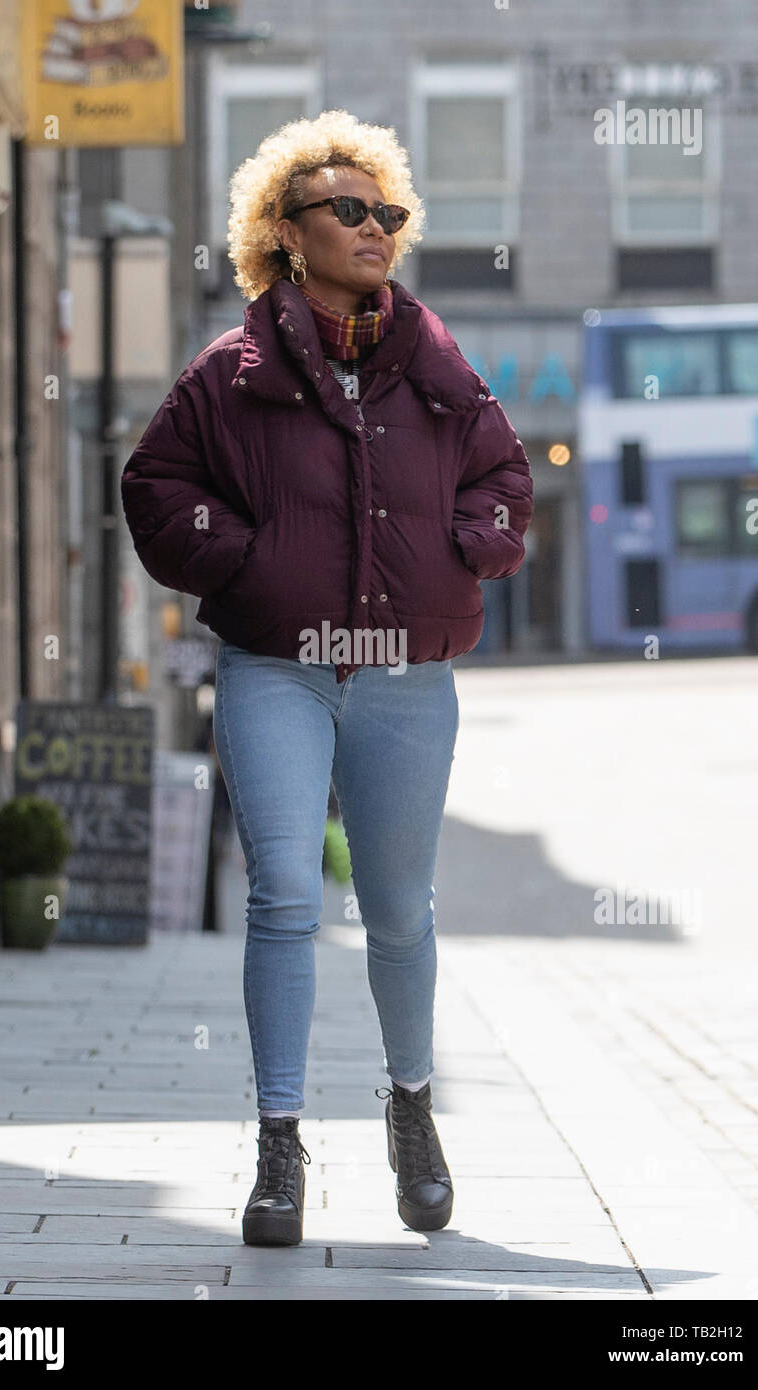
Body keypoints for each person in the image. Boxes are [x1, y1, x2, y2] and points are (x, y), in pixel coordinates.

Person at [121, 109, 533, 1247]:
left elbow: (502, 479)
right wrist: (247, 566)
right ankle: (278, 1145)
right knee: (286, 898)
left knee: (399, 910)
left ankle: (410, 1111)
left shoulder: (435, 358)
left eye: (385, 210)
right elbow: (155, 484)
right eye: (347, 210)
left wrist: (467, 547)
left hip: (404, 677)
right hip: (277, 671)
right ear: (285, 232)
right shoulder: (231, 370)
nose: (373, 228)